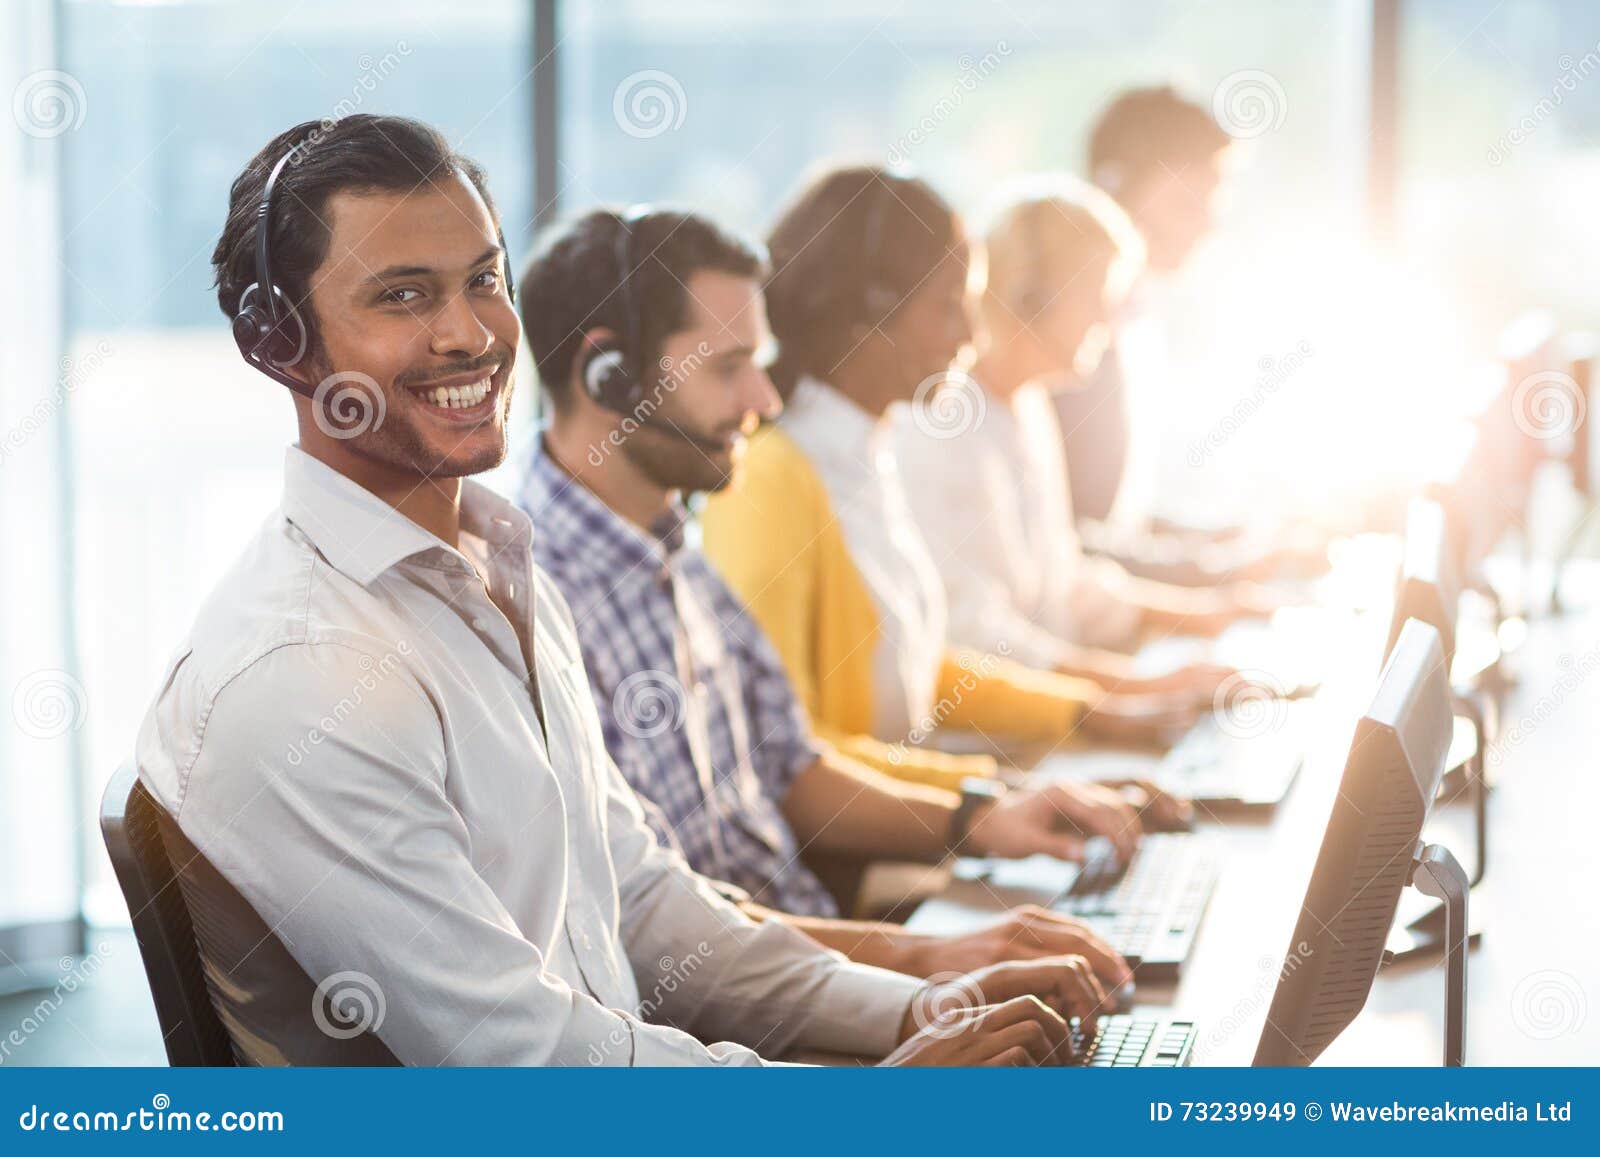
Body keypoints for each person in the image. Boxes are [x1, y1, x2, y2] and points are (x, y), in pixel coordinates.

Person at [136, 115, 1102, 1067]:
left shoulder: (498, 572)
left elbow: (641, 901)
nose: (469, 332)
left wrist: (918, 1005)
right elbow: (520, 1055)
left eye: (484, 280)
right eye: (403, 296)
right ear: (280, 341)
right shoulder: (301, 672)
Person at [516, 204, 1143, 985]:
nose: (766, 398)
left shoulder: (674, 549)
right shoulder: (531, 609)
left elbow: (791, 765)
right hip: (742, 1006)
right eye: (728, 368)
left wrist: (981, 815)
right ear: (607, 376)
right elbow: (660, 931)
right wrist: (927, 964)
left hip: (813, 954)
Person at [699, 164, 1207, 786]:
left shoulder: (865, 447)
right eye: (948, 308)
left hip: (917, 803)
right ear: (869, 318)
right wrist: (986, 801)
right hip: (870, 837)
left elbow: (916, 667)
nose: (971, 332)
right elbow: (791, 760)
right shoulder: (770, 479)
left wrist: (1087, 712)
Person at [893, 176, 1268, 675]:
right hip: (996, 716)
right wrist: (1135, 691)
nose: (1110, 325)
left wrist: (1206, 614)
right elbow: (974, 638)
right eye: (1098, 298)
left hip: (1052, 701)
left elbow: (1063, 583)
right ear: (1033, 299)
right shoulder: (943, 424)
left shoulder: (1027, 406)